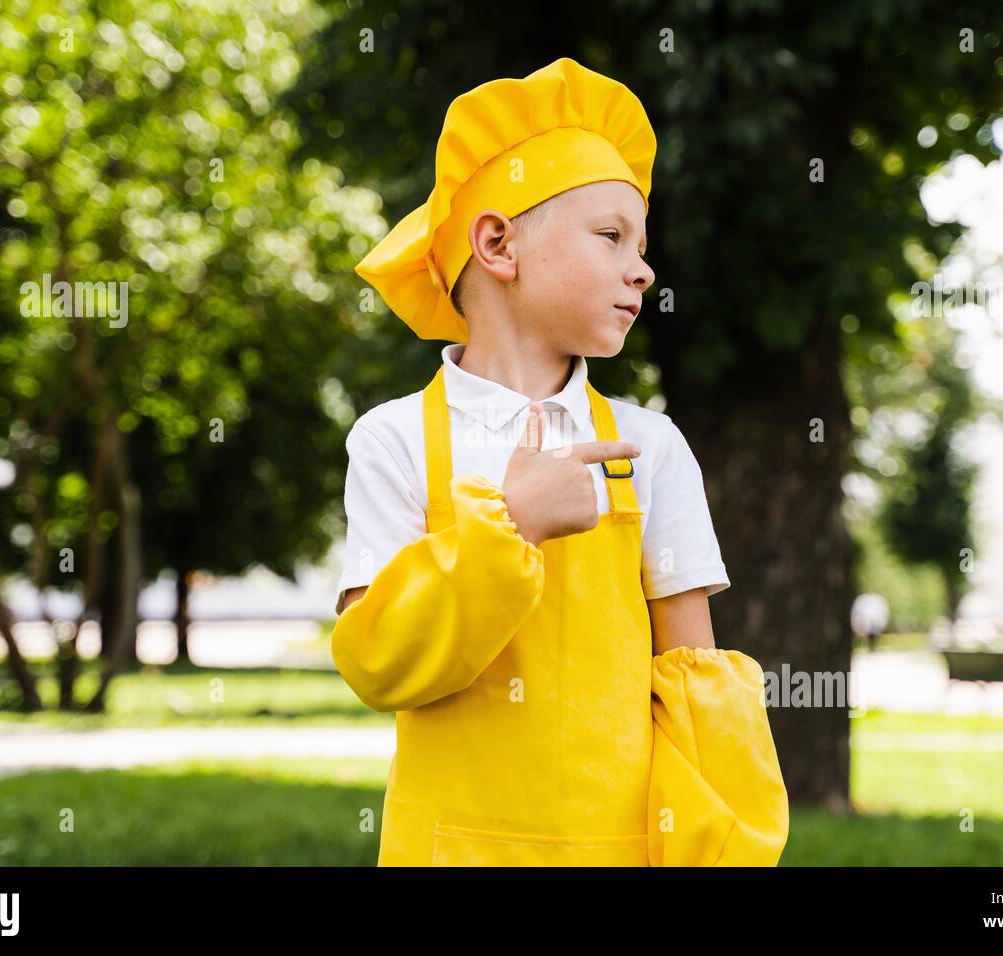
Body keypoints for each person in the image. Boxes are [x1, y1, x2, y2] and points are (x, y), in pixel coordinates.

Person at [331, 57, 789, 866]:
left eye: (642, 245)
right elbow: (380, 664)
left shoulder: (651, 448)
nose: (643, 268)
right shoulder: (392, 440)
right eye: (611, 236)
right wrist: (512, 525)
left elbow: (693, 687)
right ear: (497, 244)